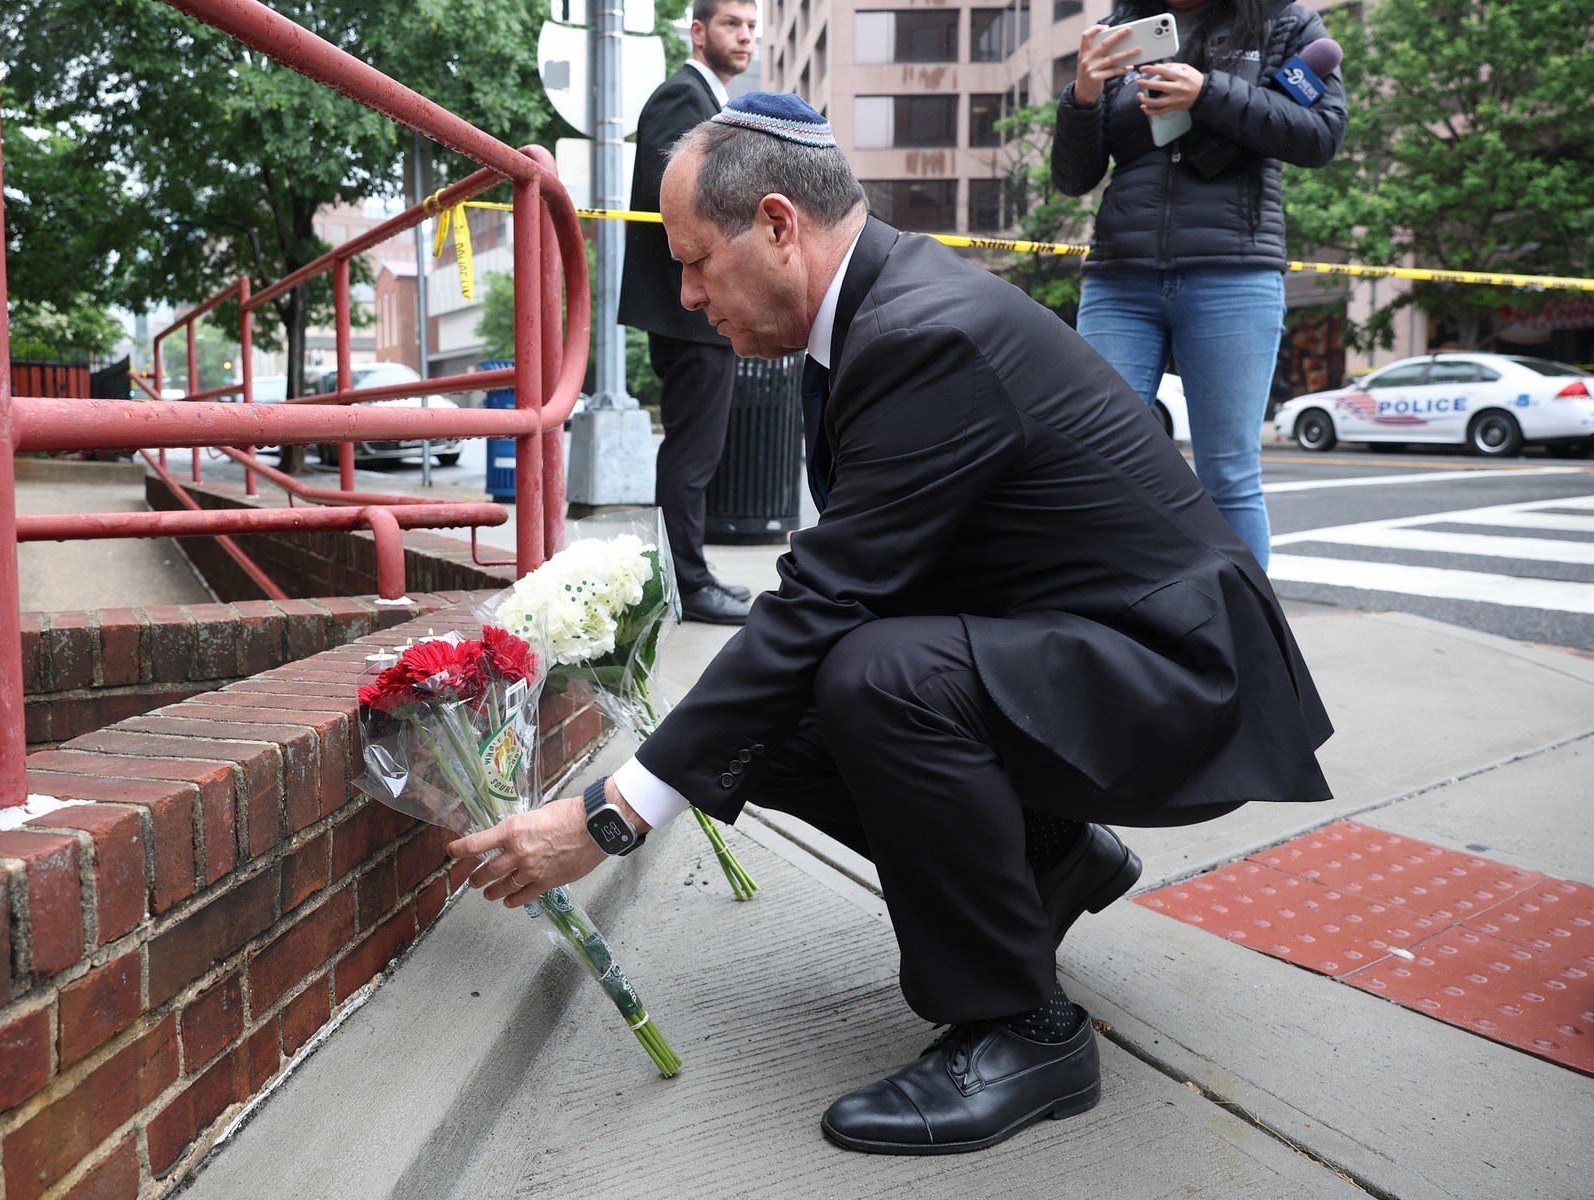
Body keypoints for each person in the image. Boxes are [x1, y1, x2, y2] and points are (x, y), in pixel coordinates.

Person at [448, 94, 1333, 1156]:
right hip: (1102, 657)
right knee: (760, 720)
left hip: (1184, 688)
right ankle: (1049, 861)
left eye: (693, 263)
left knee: (875, 673)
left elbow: (829, 602)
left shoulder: (925, 334)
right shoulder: (876, 310)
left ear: (778, 225)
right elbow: (854, 581)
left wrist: (610, 814)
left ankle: (1024, 1026)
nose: (685, 296)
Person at [1052, 0, 1348, 568]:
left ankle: (1251, 645)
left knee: (1229, 474)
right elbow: (1073, 177)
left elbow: (1321, 136)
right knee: (1094, 461)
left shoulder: (1283, 24)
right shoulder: (1122, 28)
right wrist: (1082, 96)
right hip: (1121, 276)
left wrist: (1206, 93)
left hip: (1233, 272)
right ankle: (1113, 628)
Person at [617, 0, 758, 624]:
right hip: (690, 310)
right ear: (698, 31)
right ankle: (687, 585)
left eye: (752, 26)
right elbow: (666, 189)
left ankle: (685, 579)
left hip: (693, 307)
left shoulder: (708, 102)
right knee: (692, 453)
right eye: (733, 23)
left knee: (693, 449)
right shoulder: (682, 97)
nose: (745, 36)